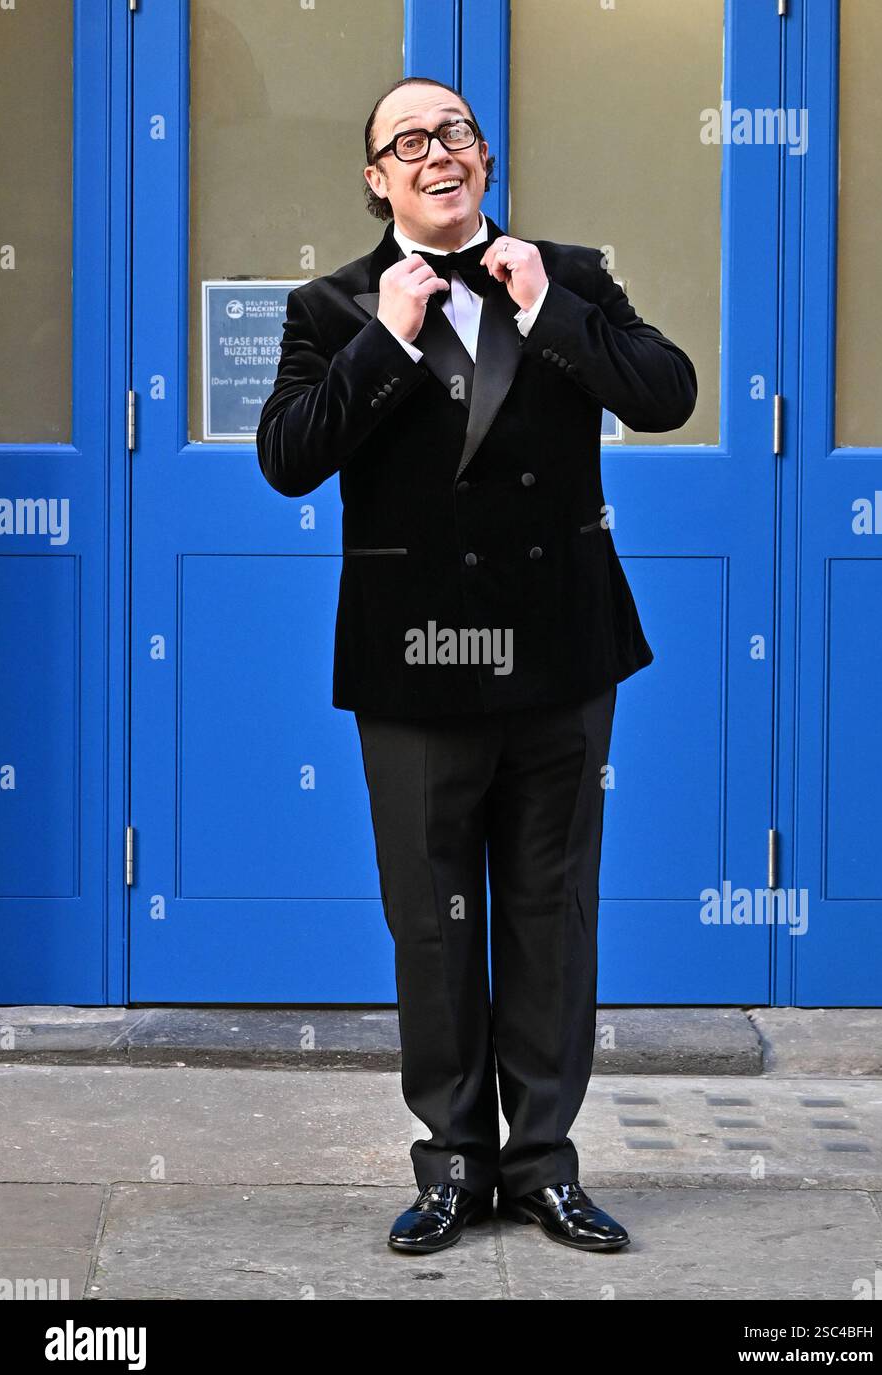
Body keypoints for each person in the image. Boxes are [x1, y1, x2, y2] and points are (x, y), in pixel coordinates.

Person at [257, 76, 697, 1254]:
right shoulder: (330, 306)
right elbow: (289, 459)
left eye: (454, 131)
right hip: (415, 668)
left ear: (484, 156)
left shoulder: (573, 273)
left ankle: (544, 1164)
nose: (435, 150)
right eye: (407, 140)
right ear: (375, 178)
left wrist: (557, 313)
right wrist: (389, 339)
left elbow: (666, 395)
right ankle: (452, 1163)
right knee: (435, 920)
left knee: (551, 912)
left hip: (560, 655)